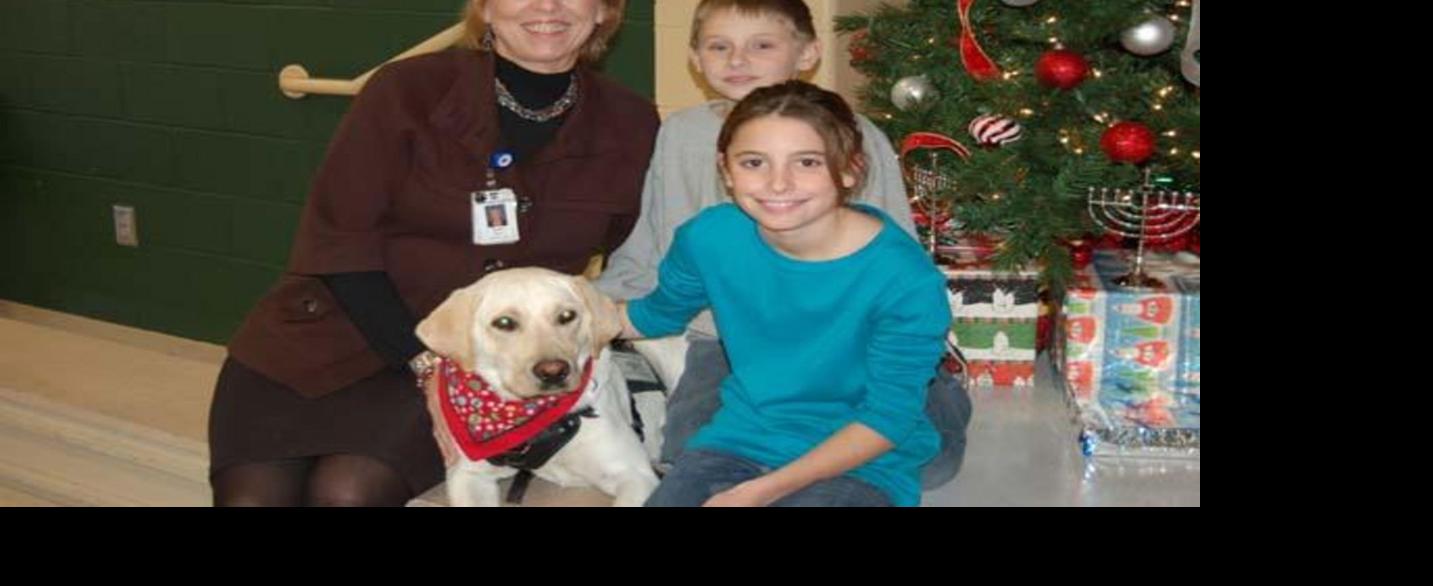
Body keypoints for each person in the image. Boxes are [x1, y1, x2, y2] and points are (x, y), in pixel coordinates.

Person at [207, 0, 656, 505]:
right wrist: (426, 368)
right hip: (330, 334)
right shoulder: (405, 90)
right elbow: (338, 241)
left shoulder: (631, 122)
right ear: (485, 9)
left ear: (603, 12)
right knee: (252, 499)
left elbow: (642, 256)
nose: (547, 5)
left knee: (347, 492)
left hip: (480, 357)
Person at [596, 0, 968, 489]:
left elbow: (891, 258)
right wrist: (590, 310)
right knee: (688, 452)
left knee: (922, 463)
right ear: (695, 57)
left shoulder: (850, 137)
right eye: (719, 46)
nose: (737, 60)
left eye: (762, 46)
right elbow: (653, 242)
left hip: (846, 340)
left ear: (807, 54)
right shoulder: (680, 134)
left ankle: (939, 391)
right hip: (726, 336)